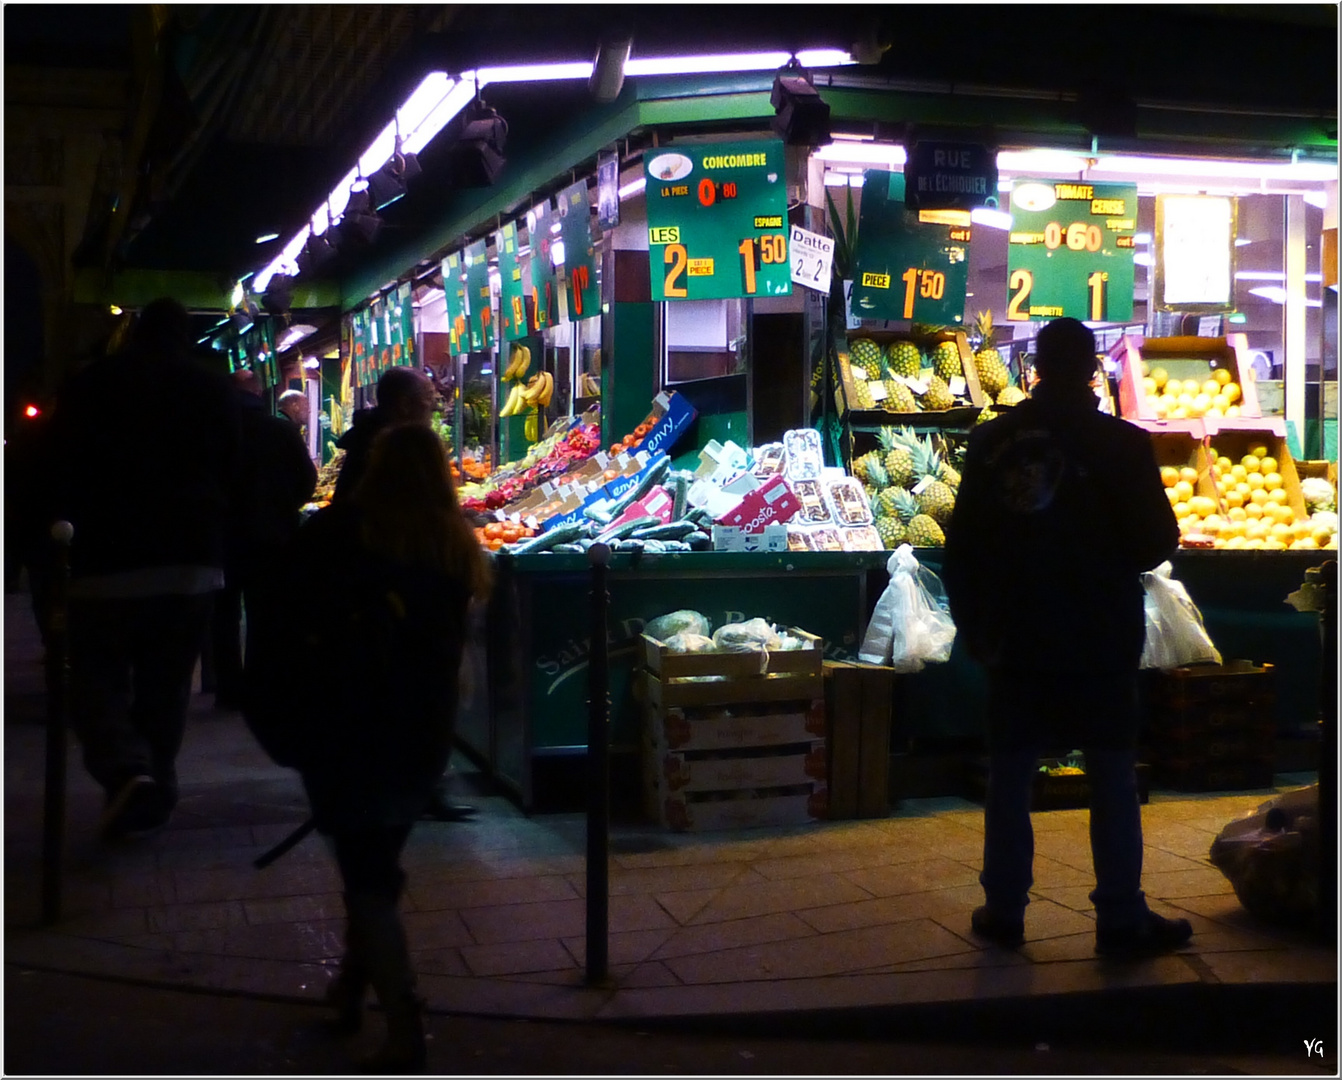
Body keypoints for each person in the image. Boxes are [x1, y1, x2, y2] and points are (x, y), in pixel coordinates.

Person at [941, 316, 1191, 959]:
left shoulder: (992, 442)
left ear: (1034, 369)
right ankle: (1120, 917)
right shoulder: (1124, 445)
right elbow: (1159, 541)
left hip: (1017, 635)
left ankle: (1003, 911)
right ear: (1093, 369)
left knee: (1011, 774)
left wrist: (976, 627)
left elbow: (962, 547)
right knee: (1110, 772)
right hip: (1100, 635)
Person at [255, 424, 490, 1071]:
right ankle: (350, 987)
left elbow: (279, 621)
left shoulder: (337, 537)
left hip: (345, 729)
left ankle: (404, 1019)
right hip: (422, 736)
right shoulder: (454, 545)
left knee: (366, 873)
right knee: (375, 863)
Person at [44, 297, 241, 840]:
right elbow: (236, 465)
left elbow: (53, 465)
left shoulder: (92, 385)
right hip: (190, 563)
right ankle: (155, 784)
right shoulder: (209, 388)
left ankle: (128, 773)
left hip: (105, 560)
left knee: (97, 680)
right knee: (167, 685)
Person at [333, 365, 478, 823]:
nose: (435, 404)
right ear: (402, 405)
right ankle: (419, 785)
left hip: (385, 607)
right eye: (426, 398)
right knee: (426, 699)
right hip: (409, 607)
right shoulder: (399, 452)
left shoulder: (370, 448)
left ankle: (403, 783)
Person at [208, 369, 316, 710]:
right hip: (271, 538)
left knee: (223, 616)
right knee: (264, 614)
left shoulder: (211, 434)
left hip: (222, 539)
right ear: (258, 392)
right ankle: (258, 686)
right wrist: (283, 508)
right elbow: (307, 480)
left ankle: (228, 690)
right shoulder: (280, 430)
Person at [331, 367, 436, 503]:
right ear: (404, 404)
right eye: (428, 396)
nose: (434, 405)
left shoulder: (368, 436)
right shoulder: (388, 449)